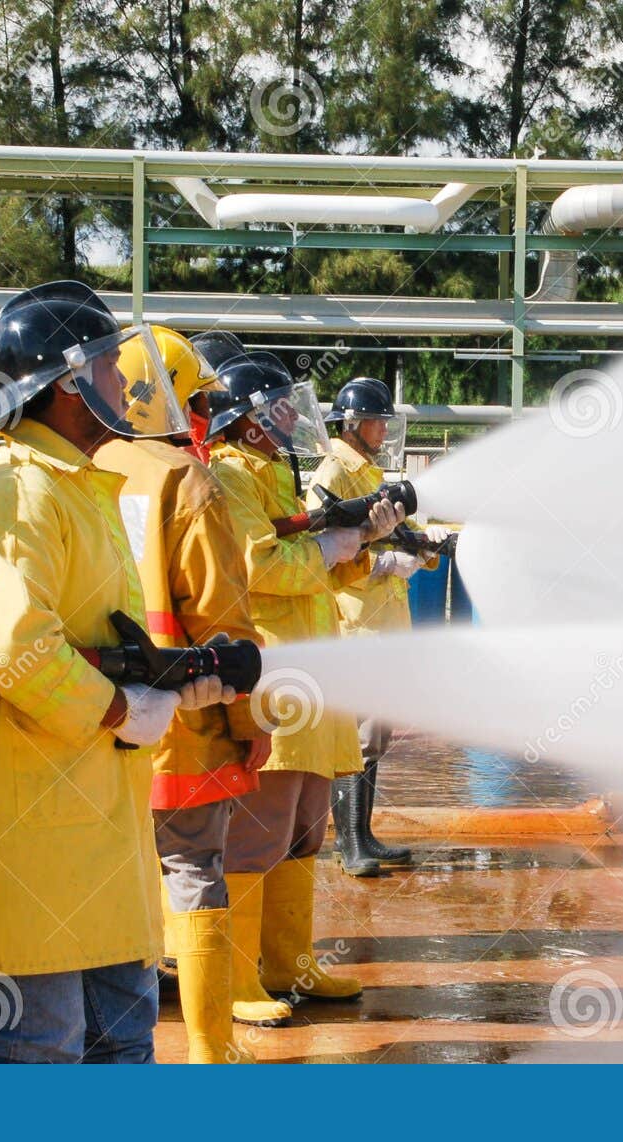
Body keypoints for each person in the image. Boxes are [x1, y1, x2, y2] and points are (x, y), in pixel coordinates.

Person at [0, 282, 230, 1064]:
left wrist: (162, 681)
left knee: (120, 1037)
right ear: (67, 386)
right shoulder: (17, 490)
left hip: (89, 819)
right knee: (36, 1046)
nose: (126, 385)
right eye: (110, 369)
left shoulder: (79, 487)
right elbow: (14, 646)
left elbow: (100, 635)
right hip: (28, 832)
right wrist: (123, 711)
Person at [204, 354, 399, 1024]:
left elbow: (323, 568)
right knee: (259, 834)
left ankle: (290, 963)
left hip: (313, 672)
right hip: (277, 671)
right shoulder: (230, 474)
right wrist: (330, 547)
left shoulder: (274, 473)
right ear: (250, 420)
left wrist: (359, 542)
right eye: (279, 408)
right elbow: (255, 566)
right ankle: (235, 979)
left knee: (303, 830)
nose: (291, 418)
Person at [93, 324, 270, 1062]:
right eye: (195, 397)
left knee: (104, 886)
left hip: (91, 723)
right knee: (193, 871)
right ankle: (208, 1052)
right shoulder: (185, 479)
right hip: (185, 727)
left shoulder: (80, 467)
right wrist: (250, 718)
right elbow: (223, 622)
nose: (202, 411)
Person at [311, 377, 450, 876]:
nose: (384, 427)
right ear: (353, 423)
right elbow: (325, 553)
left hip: (384, 627)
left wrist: (426, 550)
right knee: (357, 737)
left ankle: (362, 835)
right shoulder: (334, 472)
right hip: (358, 628)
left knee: (376, 735)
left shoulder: (369, 471)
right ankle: (350, 844)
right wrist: (386, 563)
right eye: (378, 419)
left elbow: (394, 539)